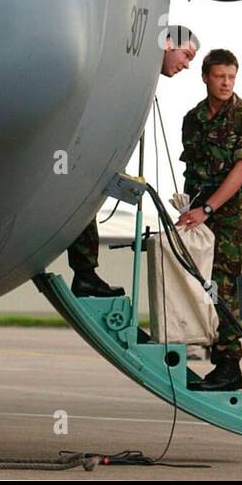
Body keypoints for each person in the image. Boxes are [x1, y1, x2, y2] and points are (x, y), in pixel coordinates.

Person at [69, 27, 201, 298]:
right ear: (167, 43)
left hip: (91, 146)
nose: (186, 65)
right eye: (186, 55)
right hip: (84, 144)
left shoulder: (139, 71)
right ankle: (84, 274)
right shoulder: (130, 65)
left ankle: (85, 274)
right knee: (82, 202)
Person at [176, 49, 242, 392]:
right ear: (205, 77)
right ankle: (195, 345)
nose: (226, 83)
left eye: (231, 77)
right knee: (195, 281)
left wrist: (208, 209)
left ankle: (229, 366)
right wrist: (189, 208)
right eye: (219, 77)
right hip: (196, 212)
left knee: (222, 286)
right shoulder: (193, 118)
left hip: (225, 216)